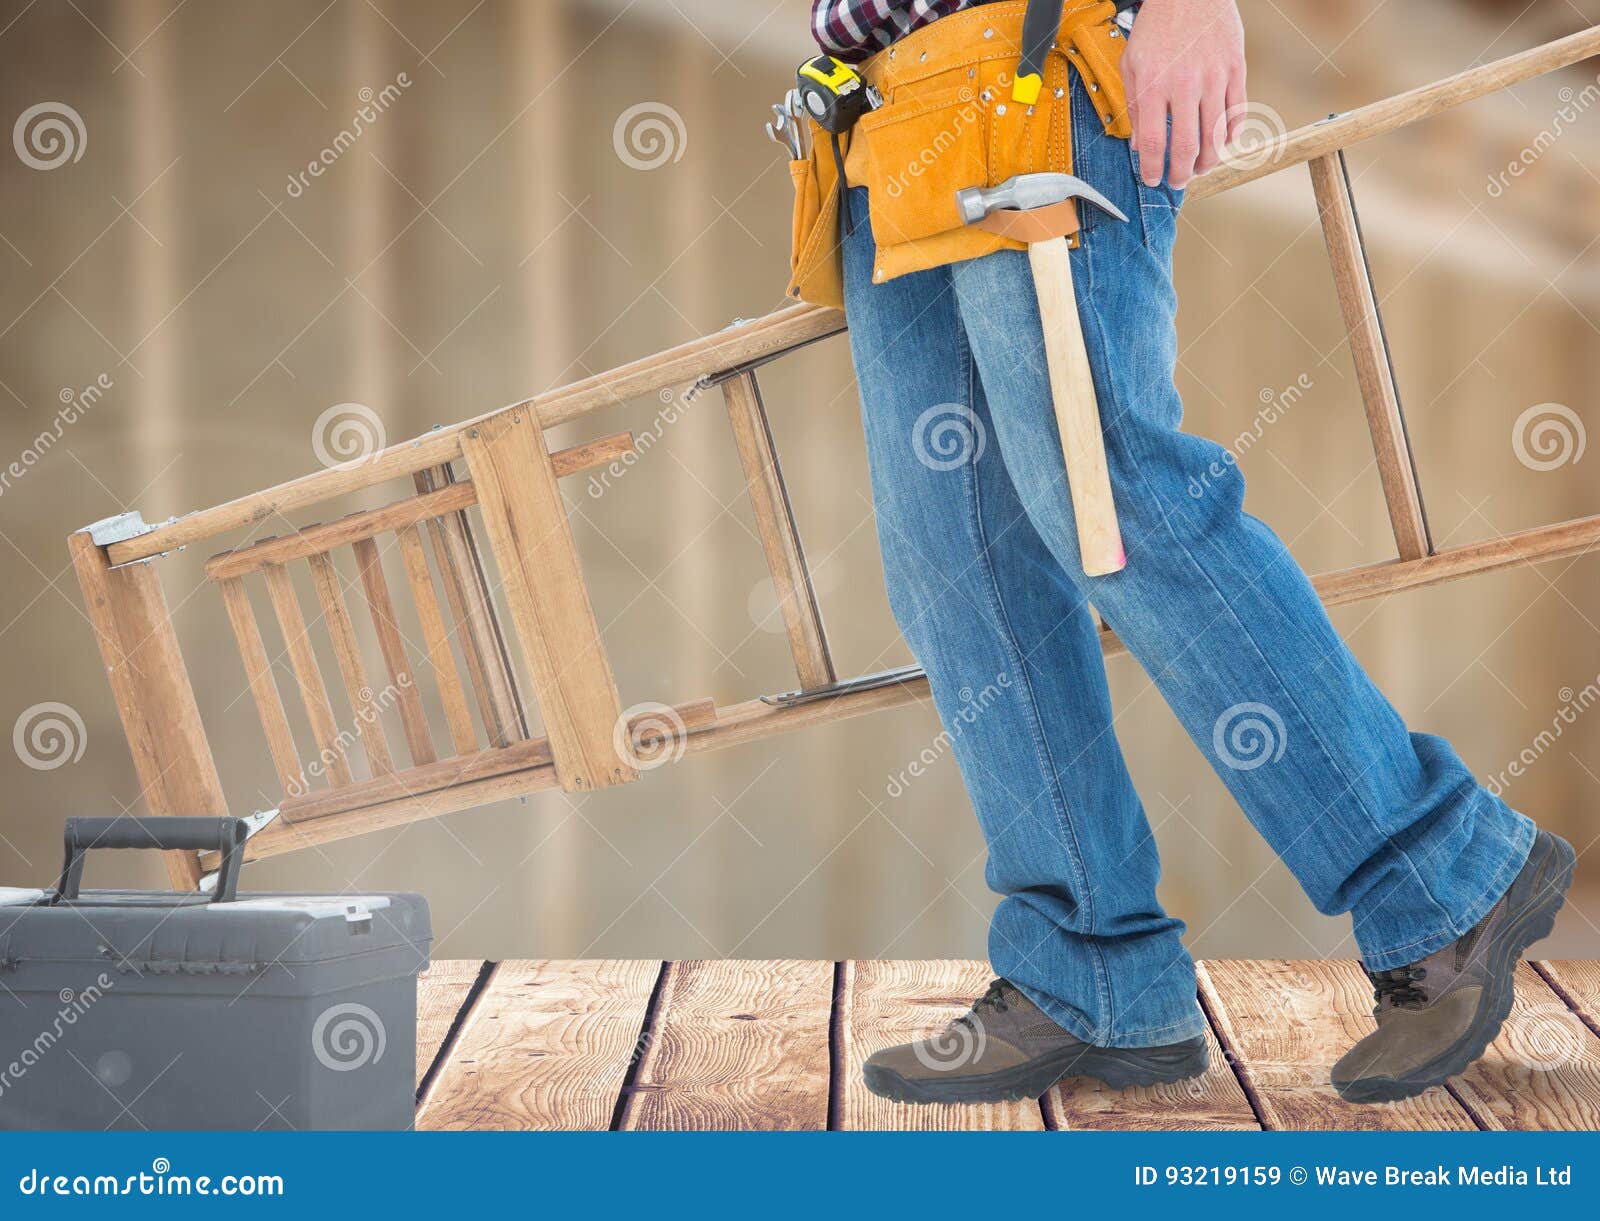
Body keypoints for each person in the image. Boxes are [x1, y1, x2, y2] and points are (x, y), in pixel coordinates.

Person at [809, 0, 1575, 1104]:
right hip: (888, 114)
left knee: (1116, 501)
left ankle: (1442, 879)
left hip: (1033, 75)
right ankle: (1091, 976)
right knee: (957, 569)